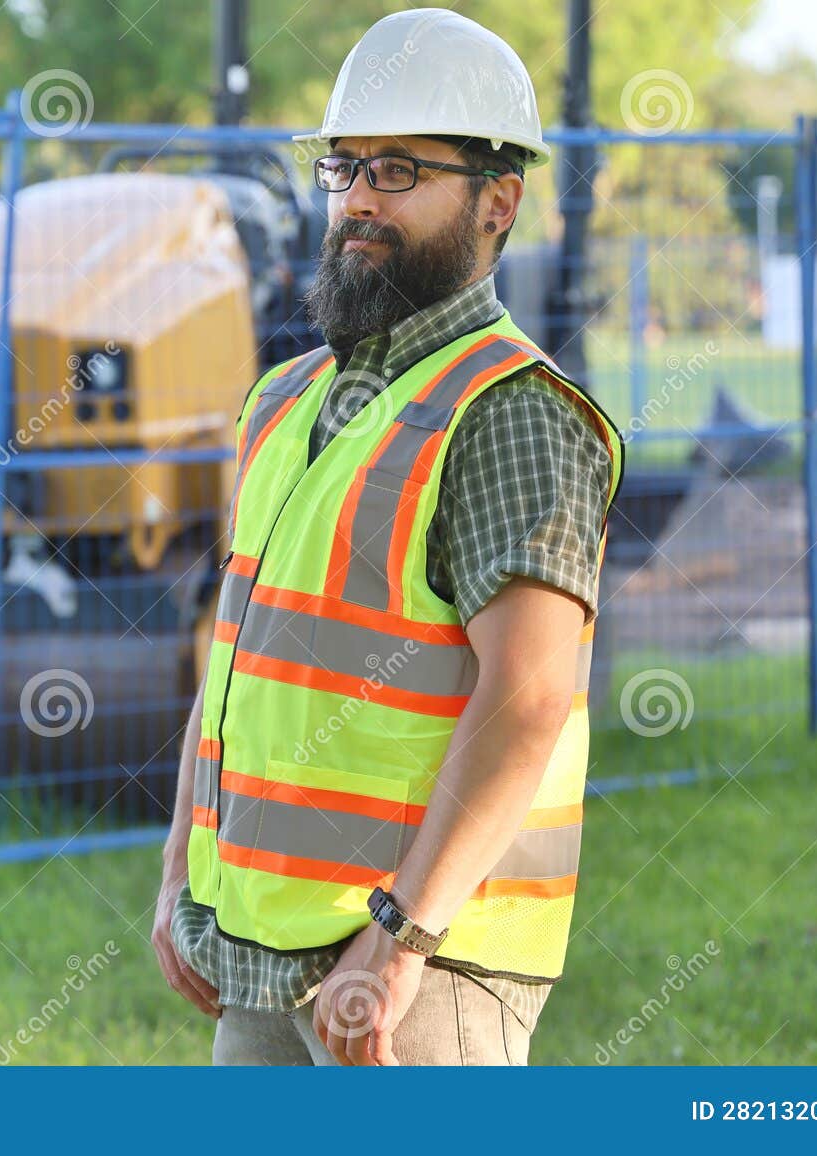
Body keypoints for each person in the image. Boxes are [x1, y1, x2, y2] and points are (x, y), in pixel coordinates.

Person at [150, 8, 626, 1066]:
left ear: (496, 202)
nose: (359, 197)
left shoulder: (513, 413)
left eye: (402, 170)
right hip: (262, 953)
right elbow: (236, 663)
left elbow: (529, 697)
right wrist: (182, 865)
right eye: (346, 165)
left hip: (422, 970)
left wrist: (401, 933)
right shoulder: (282, 401)